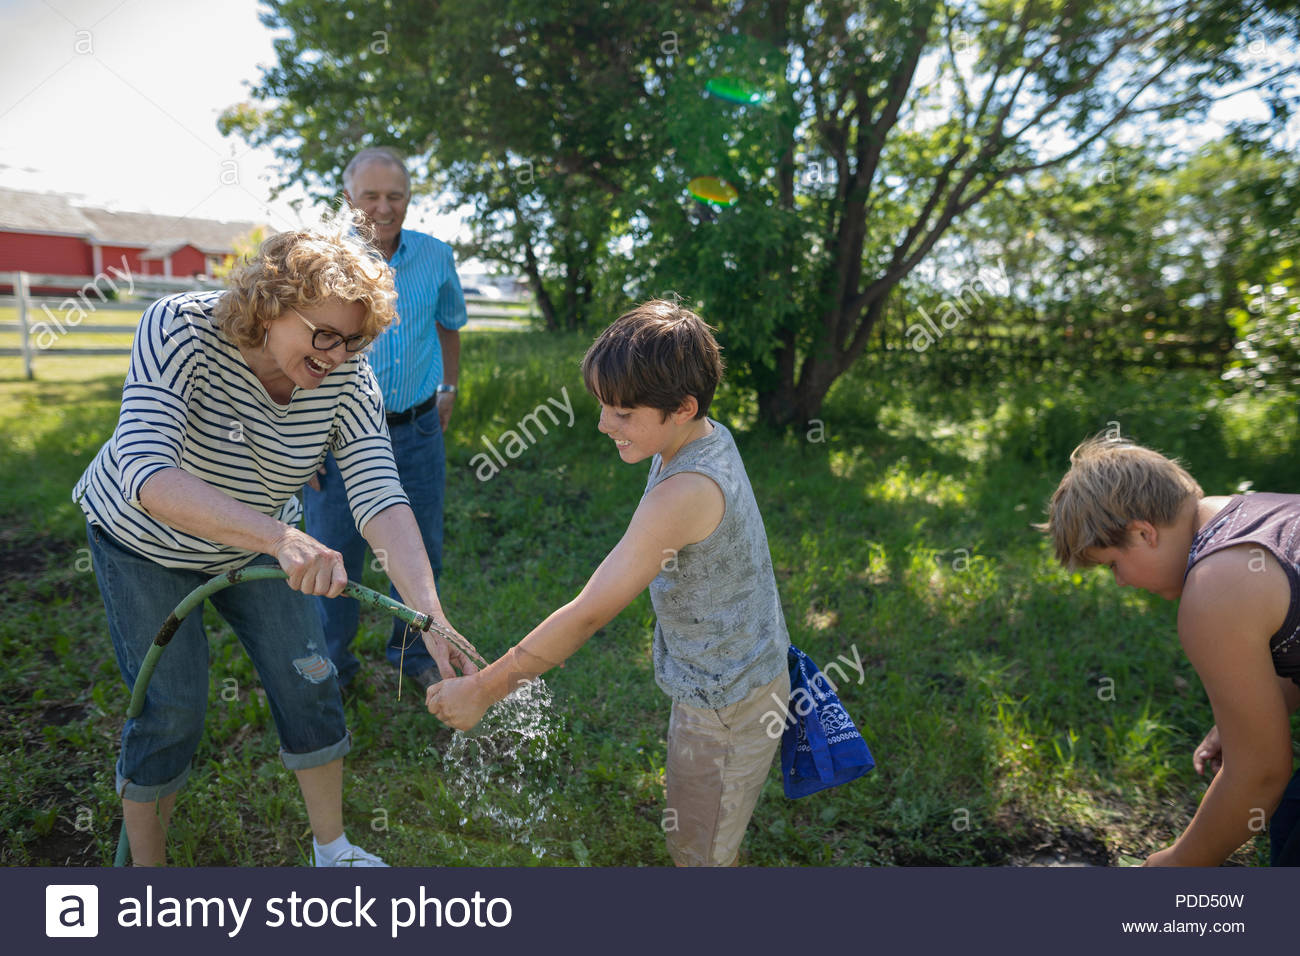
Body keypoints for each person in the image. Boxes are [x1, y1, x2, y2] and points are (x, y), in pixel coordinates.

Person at [74, 221, 477, 866]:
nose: (335, 356)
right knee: (171, 709)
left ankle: (333, 850)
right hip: (144, 542)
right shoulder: (179, 328)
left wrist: (431, 617)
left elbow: (380, 495)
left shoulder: (347, 379)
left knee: (310, 677)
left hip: (259, 539)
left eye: (352, 341)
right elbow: (146, 471)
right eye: (323, 335)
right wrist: (280, 537)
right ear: (270, 303)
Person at [426, 300, 791, 866]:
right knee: (711, 838)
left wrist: (482, 690)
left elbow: (589, 613)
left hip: (727, 703)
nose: (603, 425)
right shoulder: (700, 436)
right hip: (732, 678)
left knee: (699, 854)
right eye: (601, 406)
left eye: (621, 412)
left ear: (683, 407)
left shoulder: (687, 490)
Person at [1041, 436, 1300, 866]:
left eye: (1111, 566)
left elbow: (1261, 774)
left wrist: (1179, 863)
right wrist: (1252, 714)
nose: (1121, 583)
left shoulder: (1215, 589)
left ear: (1143, 532)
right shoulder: (1252, 515)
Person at [304, 146, 467, 691]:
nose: (382, 207)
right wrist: (302, 441)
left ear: (409, 199)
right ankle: (333, 667)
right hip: (335, 436)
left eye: (394, 196)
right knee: (332, 553)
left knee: (421, 549)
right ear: (348, 197)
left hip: (417, 429)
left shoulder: (435, 256)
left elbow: (450, 324)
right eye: (370, 195)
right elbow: (298, 350)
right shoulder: (320, 261)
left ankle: (414, 657)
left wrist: (449, 387)